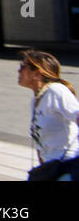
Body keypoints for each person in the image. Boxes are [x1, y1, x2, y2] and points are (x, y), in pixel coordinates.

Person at [17, 50, 79, 180]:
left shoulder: (56, 91)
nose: (19, 70)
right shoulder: (36, 100)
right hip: (51, 168)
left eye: (23, 67)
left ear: (37, 73)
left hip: (68, 166)